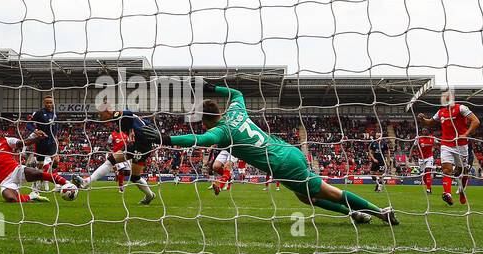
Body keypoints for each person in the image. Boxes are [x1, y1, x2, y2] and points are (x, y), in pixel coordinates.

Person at [164, 83, 396, 225]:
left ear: (205, 119)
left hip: (282, 164)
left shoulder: (221, 132)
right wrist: (214, 88)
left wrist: (164, 139)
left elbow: (198, 140)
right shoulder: (235, 110)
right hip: (287, 151)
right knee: (306, 198)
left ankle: (379, 212)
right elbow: (236, 93)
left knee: (328, 192)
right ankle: (355, 214)